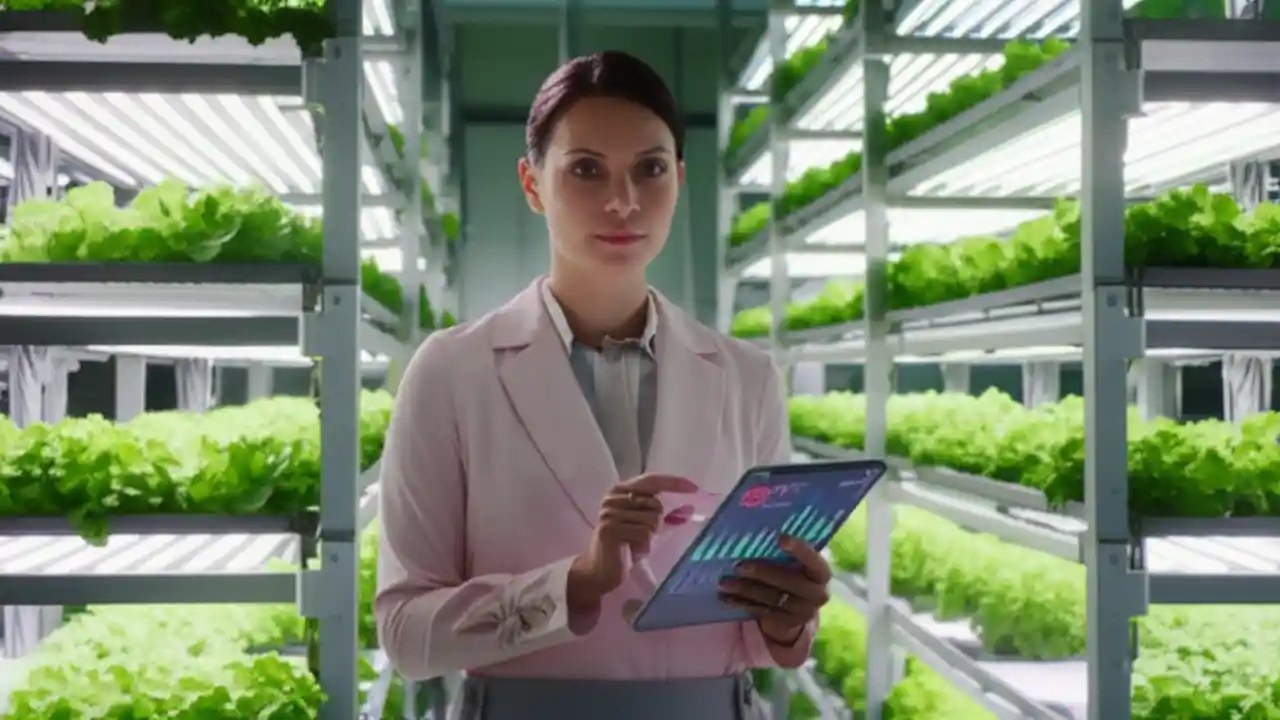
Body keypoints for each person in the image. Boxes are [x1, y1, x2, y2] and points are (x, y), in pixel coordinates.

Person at [375, 49, 833, 720]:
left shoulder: (747, 378)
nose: (623, 202)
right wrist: (577, 583)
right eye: (586, 170)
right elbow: (406, 636)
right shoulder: (451, 372)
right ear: (532, 185)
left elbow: (750, 636)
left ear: (678, 178)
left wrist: (789, 619)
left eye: (649, 169)